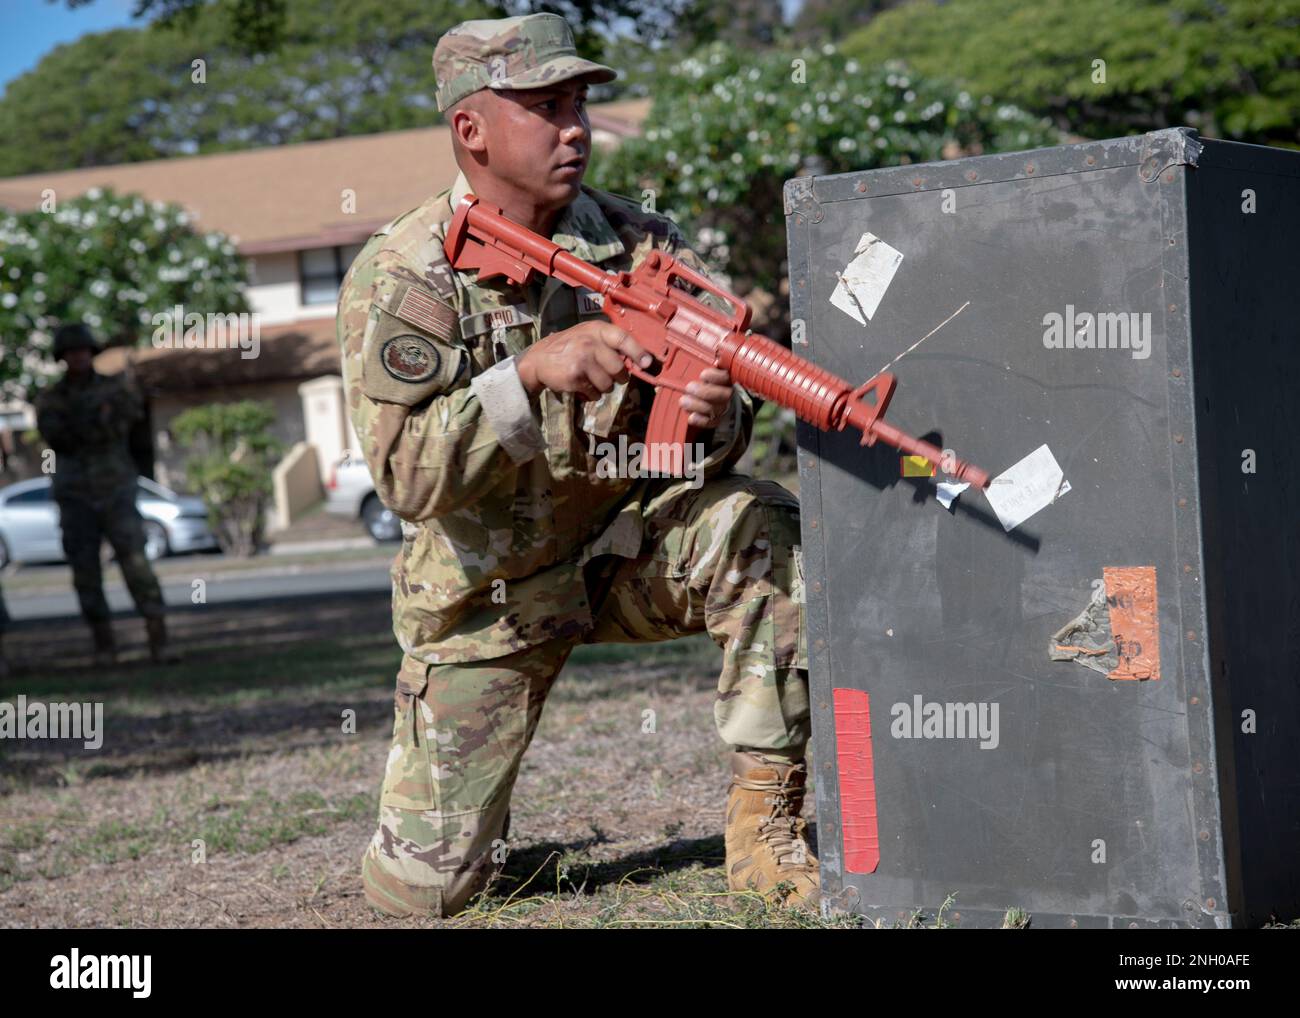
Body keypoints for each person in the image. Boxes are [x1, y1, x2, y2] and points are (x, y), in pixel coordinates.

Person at [338, 12, 816, 920]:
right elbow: (405, 478)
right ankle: (473, 835)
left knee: (760, 520)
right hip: (488, 600)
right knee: (424, 897)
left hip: (624, 556)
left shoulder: (643, 245)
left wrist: (715, 422)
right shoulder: (408, 278)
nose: (574, 128)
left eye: (580, 104)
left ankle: (766, 824)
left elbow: (698, 446)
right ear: (469, 129)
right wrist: (524, 376)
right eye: (544, 107)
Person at [33, 323, 178, 665]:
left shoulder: (116, 388)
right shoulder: (51, 398)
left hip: (116, 489)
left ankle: (159, 639)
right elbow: (58, 437)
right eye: (70, 353)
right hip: (75, 494)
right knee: (84, 569)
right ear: (61, 357)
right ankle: (104, 647)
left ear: (92, 352)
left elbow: (125, 421)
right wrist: (95, 420)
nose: (78, 357)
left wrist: (94, 423)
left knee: (135, 561)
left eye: (82, 351)